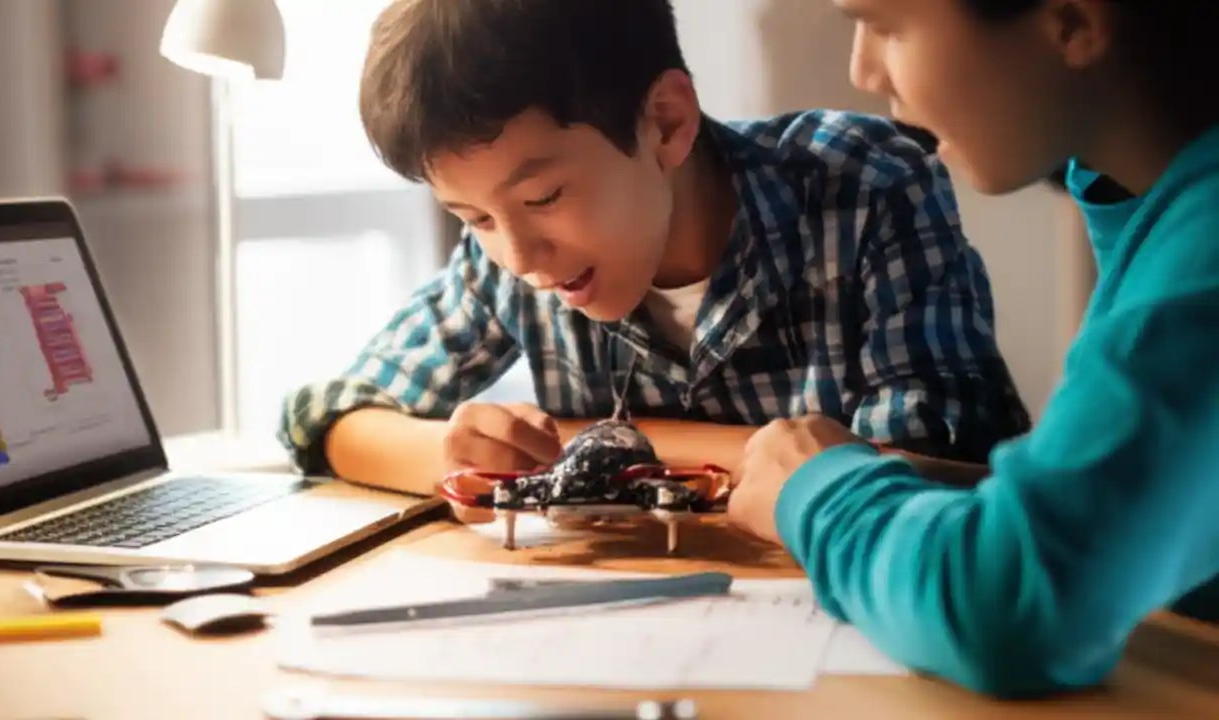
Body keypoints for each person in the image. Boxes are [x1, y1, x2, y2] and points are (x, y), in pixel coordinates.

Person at [277, 0, 1029, 499]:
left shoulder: (865, 187)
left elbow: (925, 475)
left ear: (666, 122)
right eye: (472, 217)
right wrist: (453, 452)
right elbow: (328, 417)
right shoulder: (510, 260)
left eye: (543, 198)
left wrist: (587, 447)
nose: (522, 256)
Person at [728, 0, 1219, 698]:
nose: (862, 70)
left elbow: (1015, 605)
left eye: (886, 26)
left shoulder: (1204, 258)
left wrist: (817, 493)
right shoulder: (1157, 215)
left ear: (1072, 21)